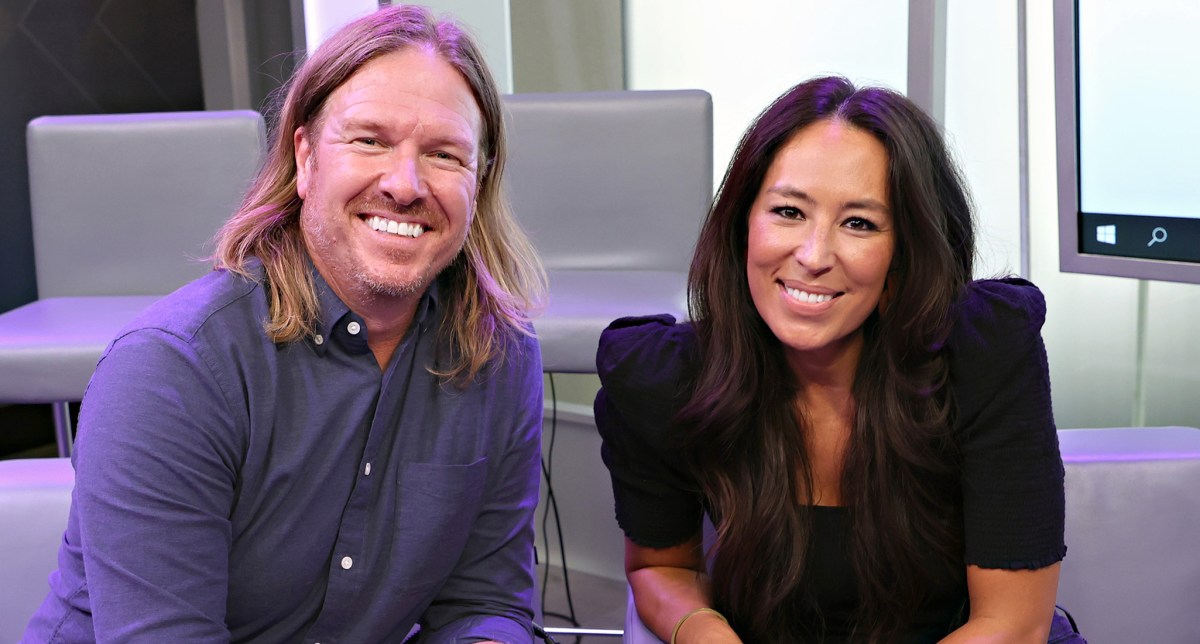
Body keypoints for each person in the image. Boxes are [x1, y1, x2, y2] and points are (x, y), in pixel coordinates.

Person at [24, 5, 546, 643]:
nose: (406, 184)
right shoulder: (171, 369)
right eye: (369, 140)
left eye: (444, 154)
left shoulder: (499, 351)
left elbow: (483, 598)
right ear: (305, 157)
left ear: (480, 181)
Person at [595, 76, 1082, 643]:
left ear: (906, 253)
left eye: (859, 223)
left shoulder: (984, 352)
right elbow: (662, 568)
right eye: (788, 211)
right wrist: (707, 635)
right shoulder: (666, 378)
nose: (813, 255)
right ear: (742, 223)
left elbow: (1013, 624)